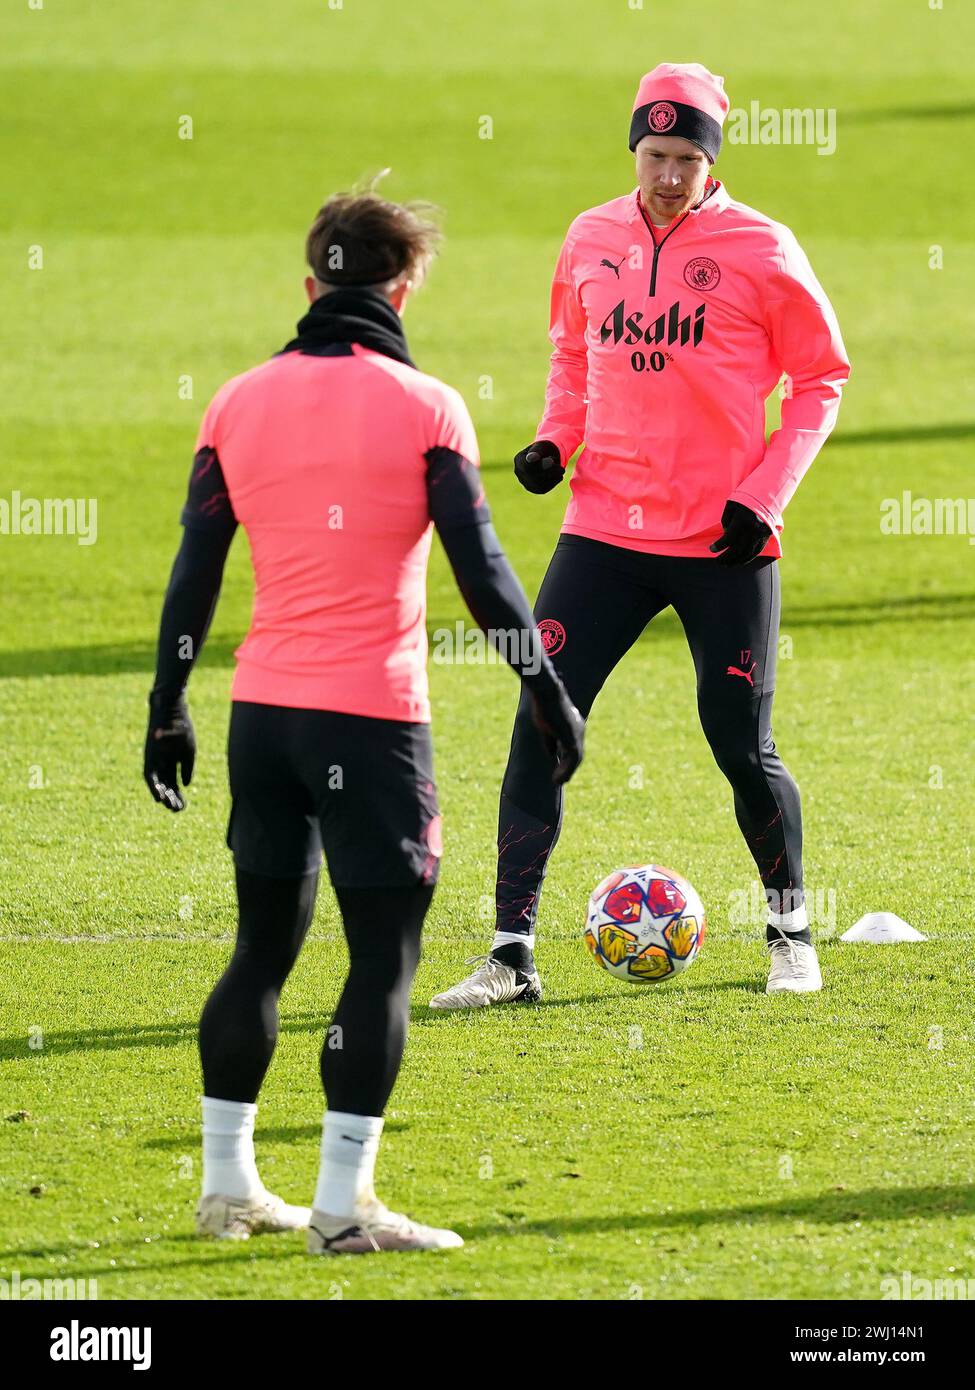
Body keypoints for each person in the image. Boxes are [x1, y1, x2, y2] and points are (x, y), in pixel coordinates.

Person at [143, 183, 584, 1255]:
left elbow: (195, 569)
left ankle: (229, 1186)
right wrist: (545, 688)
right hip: (372, 724)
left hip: (262, 715)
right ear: (405, 285)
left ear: (310, 283)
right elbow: (481, 571)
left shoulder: (236, 402)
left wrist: (167, 704)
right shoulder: (426, 407)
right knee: (380, 959)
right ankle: (342, 1205)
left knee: (260, 951)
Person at [430, 62, 850, 1011]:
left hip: (724, 542)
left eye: (687, 157)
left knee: (739, 743)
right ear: (634, 148)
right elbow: (573, 357)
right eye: (655, 154)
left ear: (712, 157)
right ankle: (509, 956)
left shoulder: (763, 249)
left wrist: (764, 494)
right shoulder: (589, 236)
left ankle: (789, 934)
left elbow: (822, 380)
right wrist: (552, 441)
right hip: (604, 532)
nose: (668, 174)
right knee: (540, 724)